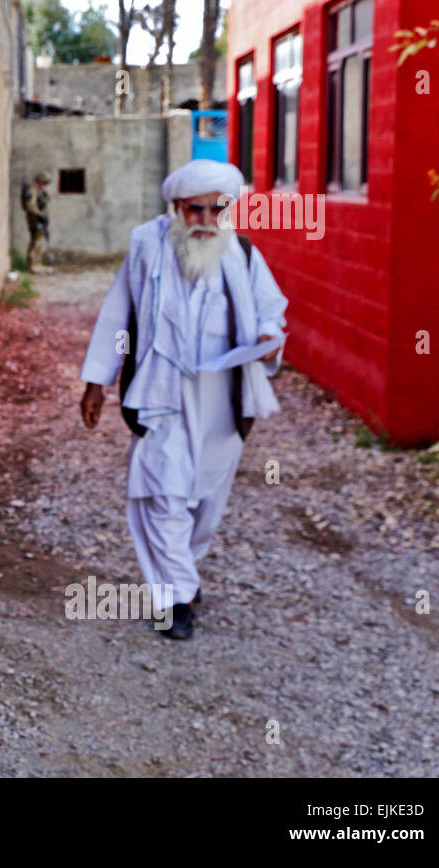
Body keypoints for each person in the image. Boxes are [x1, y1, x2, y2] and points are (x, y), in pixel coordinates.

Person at [77, 160, 288, 639]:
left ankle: (182, 576)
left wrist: (271, 336)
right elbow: (118, 313)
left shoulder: (243, 252)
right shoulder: (146, 245)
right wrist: (97, 380)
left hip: (222, 399)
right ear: (176, 206)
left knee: (205, 500)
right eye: (197, 210)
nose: (209, 221)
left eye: (219, 209)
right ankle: (175, 599)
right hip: (161, 393)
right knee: (160, 492)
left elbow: (271, 311)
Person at [21, 173, 51, 267]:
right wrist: (40, 215)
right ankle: (34, 264)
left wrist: (46, 198)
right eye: (44, 183)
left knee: (37, 240)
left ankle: (34, 264)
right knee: (38, 241)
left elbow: (43, 202)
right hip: (36, 219)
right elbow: (30, 206)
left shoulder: (38, 191)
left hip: (39, 219)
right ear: (40, 182)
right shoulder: (32, 191)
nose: (45, 186)